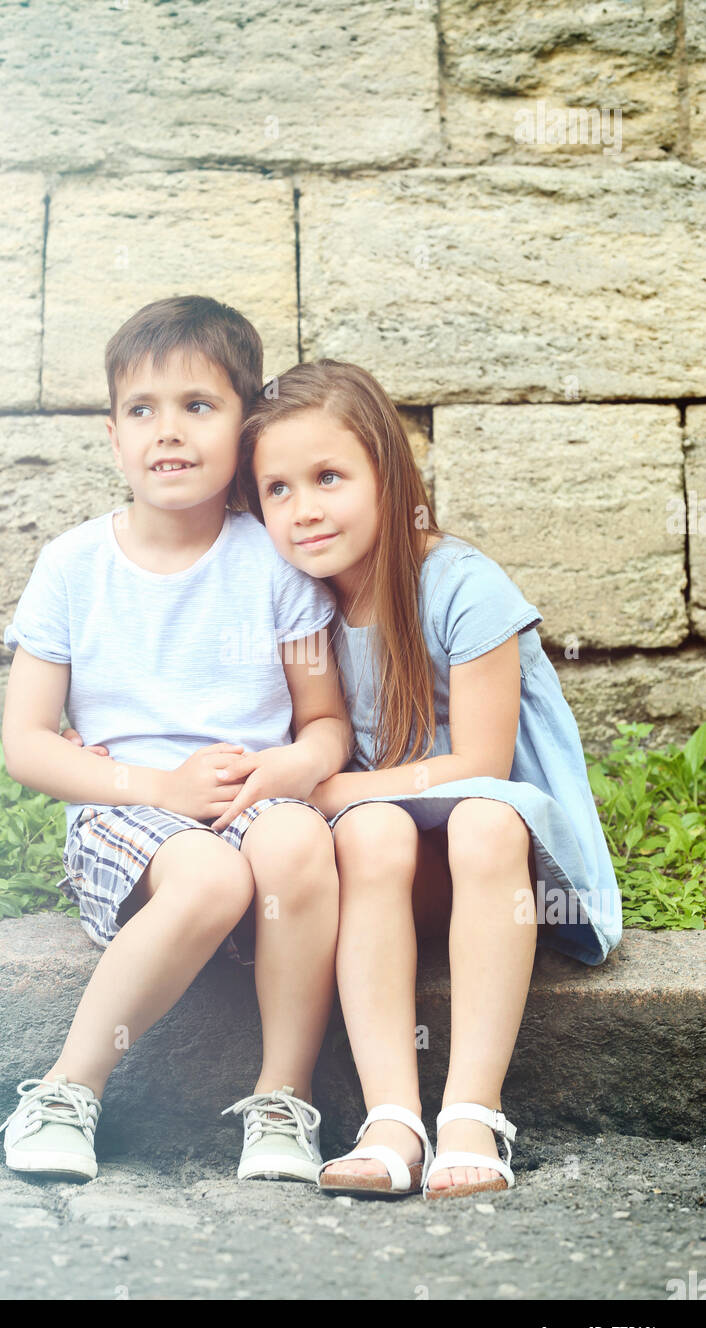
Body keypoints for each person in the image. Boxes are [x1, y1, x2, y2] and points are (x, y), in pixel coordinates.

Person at [230, 358, 624, 1200]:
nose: (305, 510)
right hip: (389, 861)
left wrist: (337, 791)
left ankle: (472, 1115)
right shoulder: (300, 604)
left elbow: (482, 766)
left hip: (499, 860)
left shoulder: (463, 586)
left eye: (329, 477)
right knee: (374, 831)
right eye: (277, 490)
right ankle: (392, 1119)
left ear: (388, 471)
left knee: (479, 817)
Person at [0, 297, 352, 1184]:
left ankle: (283, 1102)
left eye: (199, 406)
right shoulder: (74, 566)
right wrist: (161, 789)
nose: (170, 432)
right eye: (143, 411)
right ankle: (67, 1089)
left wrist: (292, 766)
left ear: (245, 427)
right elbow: (30, 744)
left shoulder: (273, 559)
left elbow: (325, 722)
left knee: (300, 838)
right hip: (133, 808)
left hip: (253, 795)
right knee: (210, 871)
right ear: (113, 435)